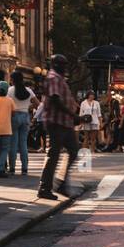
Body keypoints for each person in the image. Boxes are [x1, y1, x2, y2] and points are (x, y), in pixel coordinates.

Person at [38, 54, 80, 199]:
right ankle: (45, 187)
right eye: (63, 64)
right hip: (56, 122)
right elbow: (55, 99)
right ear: (56, 65)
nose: (65, 67)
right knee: (53, 154)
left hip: (64, 122)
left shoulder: (59, 78)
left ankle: (61, 183)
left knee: (73, 150)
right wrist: (73, 114)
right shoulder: (53, 78)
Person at [6, 69, 33, 176]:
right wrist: (27, 107)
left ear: (12, 80)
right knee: (23, 143)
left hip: (14, 116)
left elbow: (7, 104)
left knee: (13, 143)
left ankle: (12, 168)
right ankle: (24, 168)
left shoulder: (10, 90)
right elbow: (37, 103)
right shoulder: (28, 90)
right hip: (25, 116)